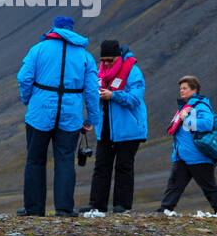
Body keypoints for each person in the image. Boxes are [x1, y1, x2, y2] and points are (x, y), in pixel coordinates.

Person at [16, 16, 100, 216]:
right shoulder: (85, 56)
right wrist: (92, 119)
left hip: (40, 112)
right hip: (70, 114)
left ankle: (34, 209)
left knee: (35, 160)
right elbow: (91, 90)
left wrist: (29, 100)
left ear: (53, 28)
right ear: (72, 31)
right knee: (65, 160)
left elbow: (24, 77)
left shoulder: (38, 50)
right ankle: (64, 209)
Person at [81, 39, 147, 215]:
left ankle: (122, 206)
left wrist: (113, 96)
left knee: (124, 167)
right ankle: (96, 205)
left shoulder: (133, 71)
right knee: (101, 166)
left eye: (110, 60)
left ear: (119, 57)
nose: (106, 63)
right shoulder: (100, 73)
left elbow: (135, 98)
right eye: (104, 60)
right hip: (106, 129)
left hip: (129, 129)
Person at [156, 76, 217, 215]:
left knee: (209, 187)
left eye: (185, 88)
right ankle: (164, 210)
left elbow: (207, 124)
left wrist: (186, 119)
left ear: (194, 90)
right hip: (182, 155)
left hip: (198, 156)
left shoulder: (201, 106)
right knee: (174, 185)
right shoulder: (185, 107)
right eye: (180, 88)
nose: (181, 91)